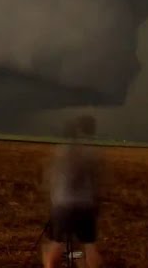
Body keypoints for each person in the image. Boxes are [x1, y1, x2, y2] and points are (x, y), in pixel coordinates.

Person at [42, 114, 104, 268]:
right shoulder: (93, 151)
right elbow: (97, 179)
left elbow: (52, 176)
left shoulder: (62, 149)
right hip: (85, 204)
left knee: (56, 245)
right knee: (88, 246)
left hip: (63, 204)